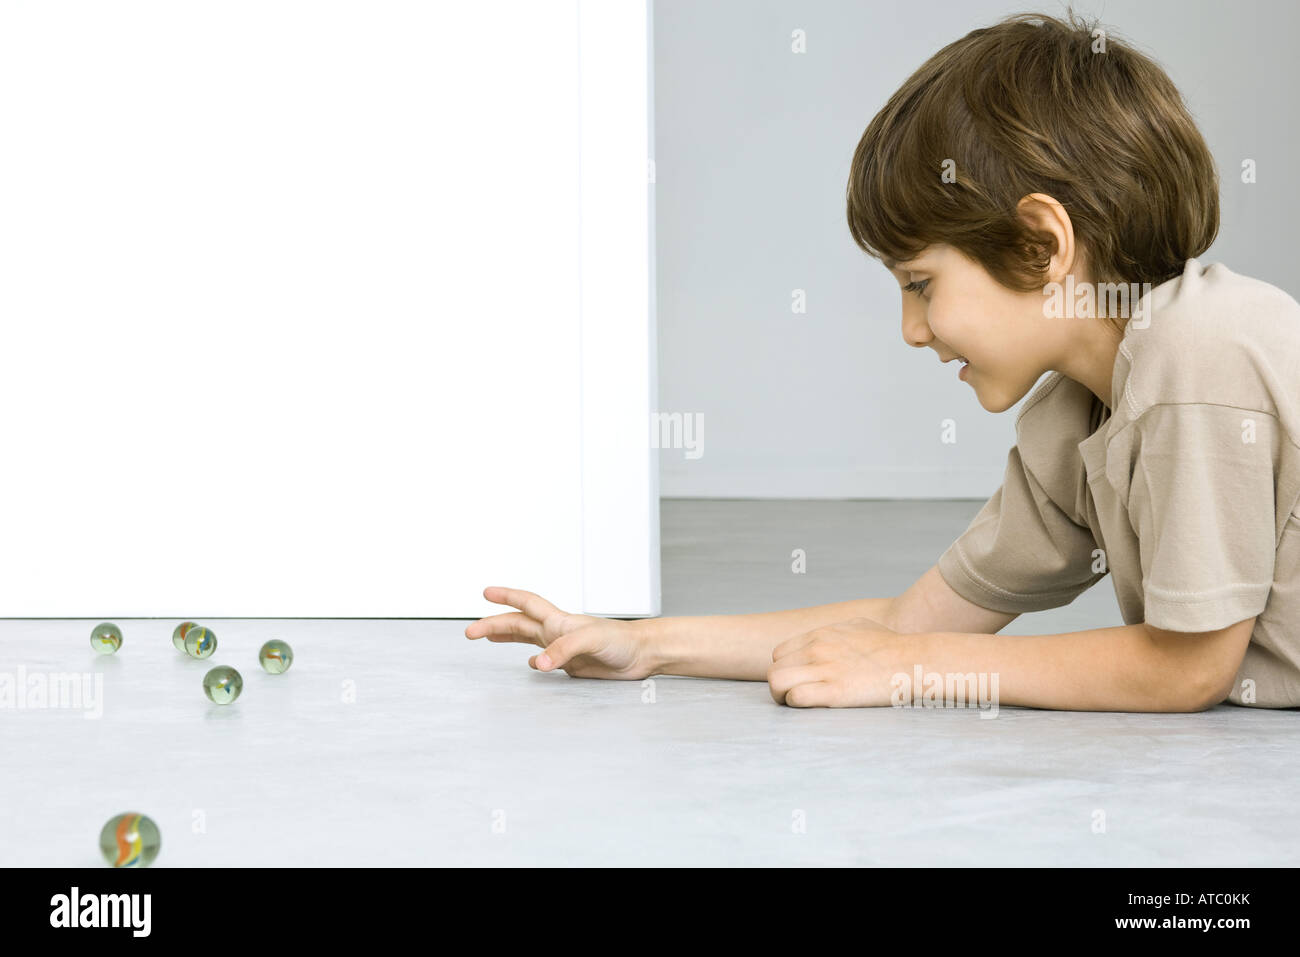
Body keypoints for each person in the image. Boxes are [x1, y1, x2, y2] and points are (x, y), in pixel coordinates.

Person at [468, 12, 1300, 712]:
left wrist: (914, 674)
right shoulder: (1075, 417)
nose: (911, 329)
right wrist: (643, 646)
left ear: (1043, 244)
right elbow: (909, 620)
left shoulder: (1201, 351)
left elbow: (1188, 665)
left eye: (920, 283)